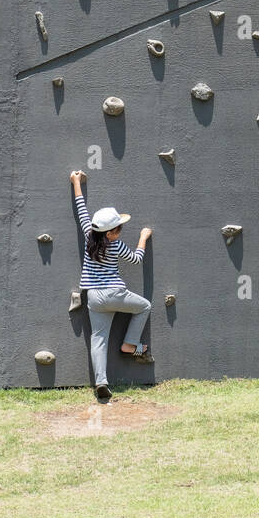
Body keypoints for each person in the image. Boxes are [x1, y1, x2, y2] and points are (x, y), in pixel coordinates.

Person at [69, 170, 152, 402]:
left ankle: (101, 382)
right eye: (119, 229)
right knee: (144, 306)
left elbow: (81, 210)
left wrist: (76, 181)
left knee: (98, 338)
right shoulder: (116, 246)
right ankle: (130, 345)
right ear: (112, 232)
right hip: (115, 294)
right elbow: (137, 259)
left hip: (94, 298)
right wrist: (144, 237)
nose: (120, 231)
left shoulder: (89, 235)